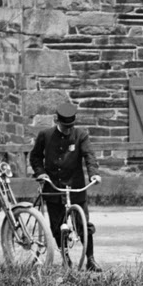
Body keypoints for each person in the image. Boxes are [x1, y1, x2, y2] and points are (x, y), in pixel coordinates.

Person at [30, 103, 103, 271]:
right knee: (57, 226)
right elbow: (35, 157)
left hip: (75, 186)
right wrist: (40, 173)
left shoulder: (80, 135)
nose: (69, 130)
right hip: (53, 187)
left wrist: (94, 173)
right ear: (57, 121)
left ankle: (90, 259)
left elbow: (89, 155)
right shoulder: (45, 135)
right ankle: (66, 258)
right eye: (65, 126)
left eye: (71, 126)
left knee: (83, 224)